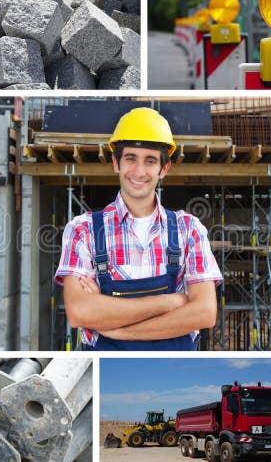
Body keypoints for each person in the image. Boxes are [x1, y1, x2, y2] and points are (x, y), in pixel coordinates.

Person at [55, 107, 222, 351]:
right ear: (116, 163)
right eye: (131, 158)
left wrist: (118, 328)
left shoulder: (189, 230)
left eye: (150, 161)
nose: (139, 171)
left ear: (163, 169)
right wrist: (171, 301)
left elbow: (204, 313)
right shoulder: (83, 230)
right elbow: (80, 312)